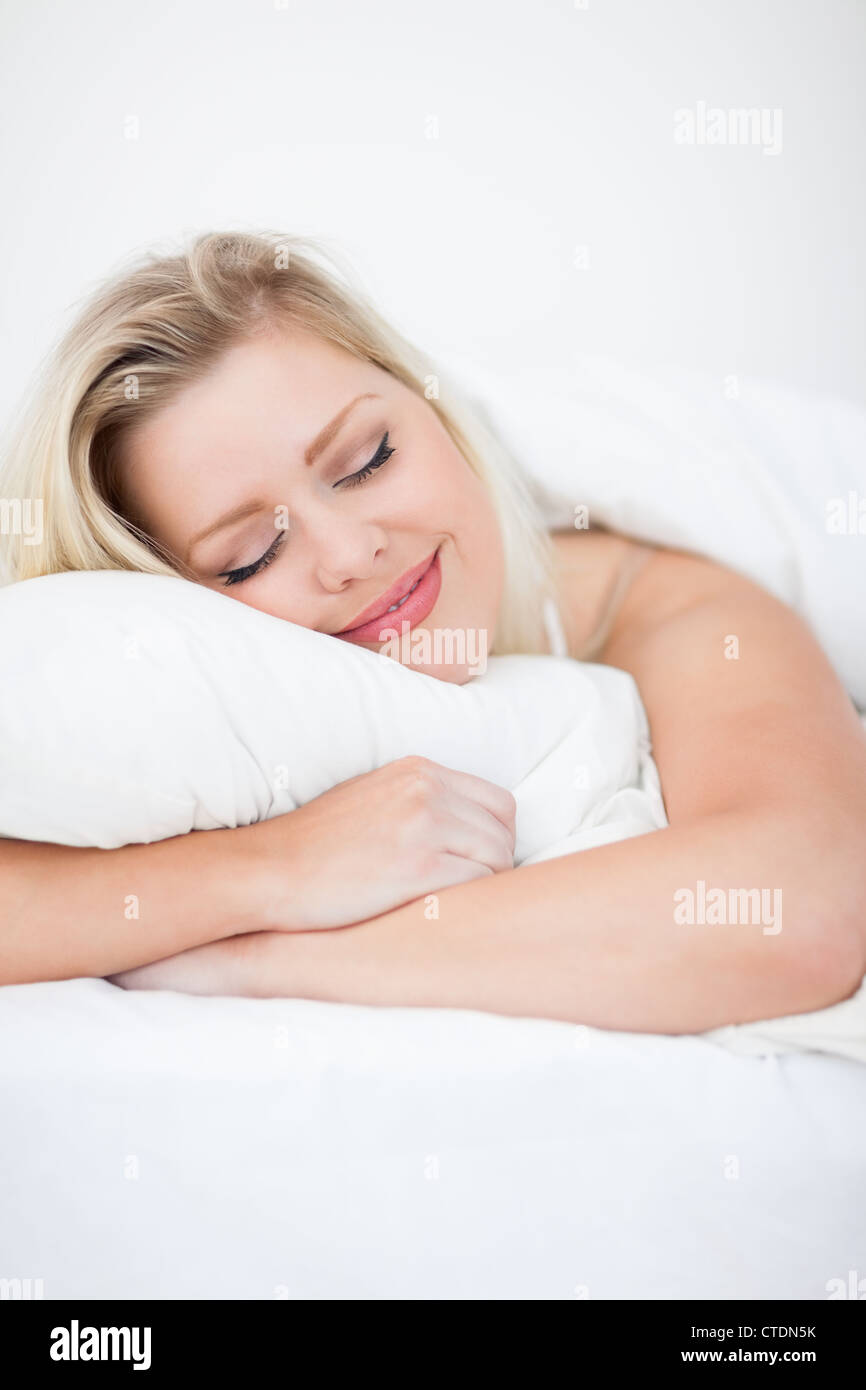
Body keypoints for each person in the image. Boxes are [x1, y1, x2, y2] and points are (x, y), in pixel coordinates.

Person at [1, 230, 864, 1032]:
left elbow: (797, 903)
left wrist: (267, 961)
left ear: (436, 412)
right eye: (249, 555)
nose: (351, 553)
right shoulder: (180, 715)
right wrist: (272, 870)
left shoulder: (666, 606)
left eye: (368, 459)